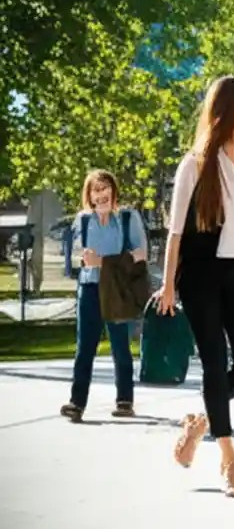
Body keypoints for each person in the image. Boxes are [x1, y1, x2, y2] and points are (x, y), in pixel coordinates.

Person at [156, 75, 234, 498]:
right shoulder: (195, 164)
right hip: (202, 275)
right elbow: (175, 232)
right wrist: (169, 284)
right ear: (227, 109)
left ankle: (200, 423)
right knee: (212, 363)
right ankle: (230, 460)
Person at [58, 171, 146, 422]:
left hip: (116, 290)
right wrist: (85, 260)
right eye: (95, 190)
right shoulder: (83, 220)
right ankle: (77, 403)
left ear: (113, 191)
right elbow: (77, 257)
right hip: (89, 289)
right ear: (90, 195)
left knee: (120, 347)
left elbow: (140, 255)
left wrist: (103, 262)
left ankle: (125, 401)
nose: (101, 194)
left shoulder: (128, 218)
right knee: (85, 347)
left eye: (105, 188)